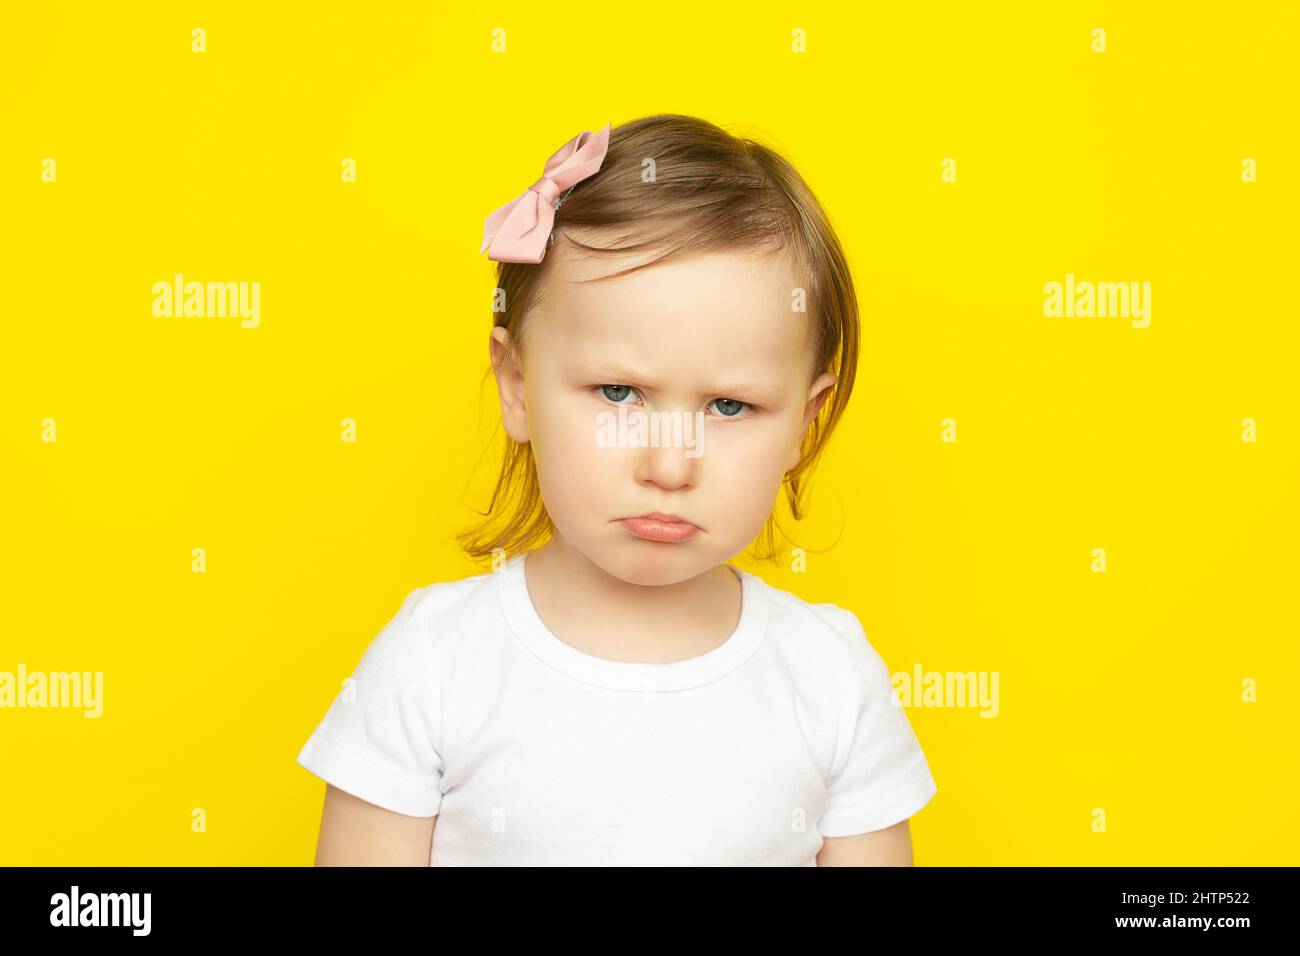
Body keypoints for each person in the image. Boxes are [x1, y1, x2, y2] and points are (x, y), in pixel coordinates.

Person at [297, 114, 937, 865]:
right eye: (618, 393)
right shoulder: (435, 664)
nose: (670, 465)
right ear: (518, 386)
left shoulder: (830, 677)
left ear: (805, 420)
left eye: (730, 406)